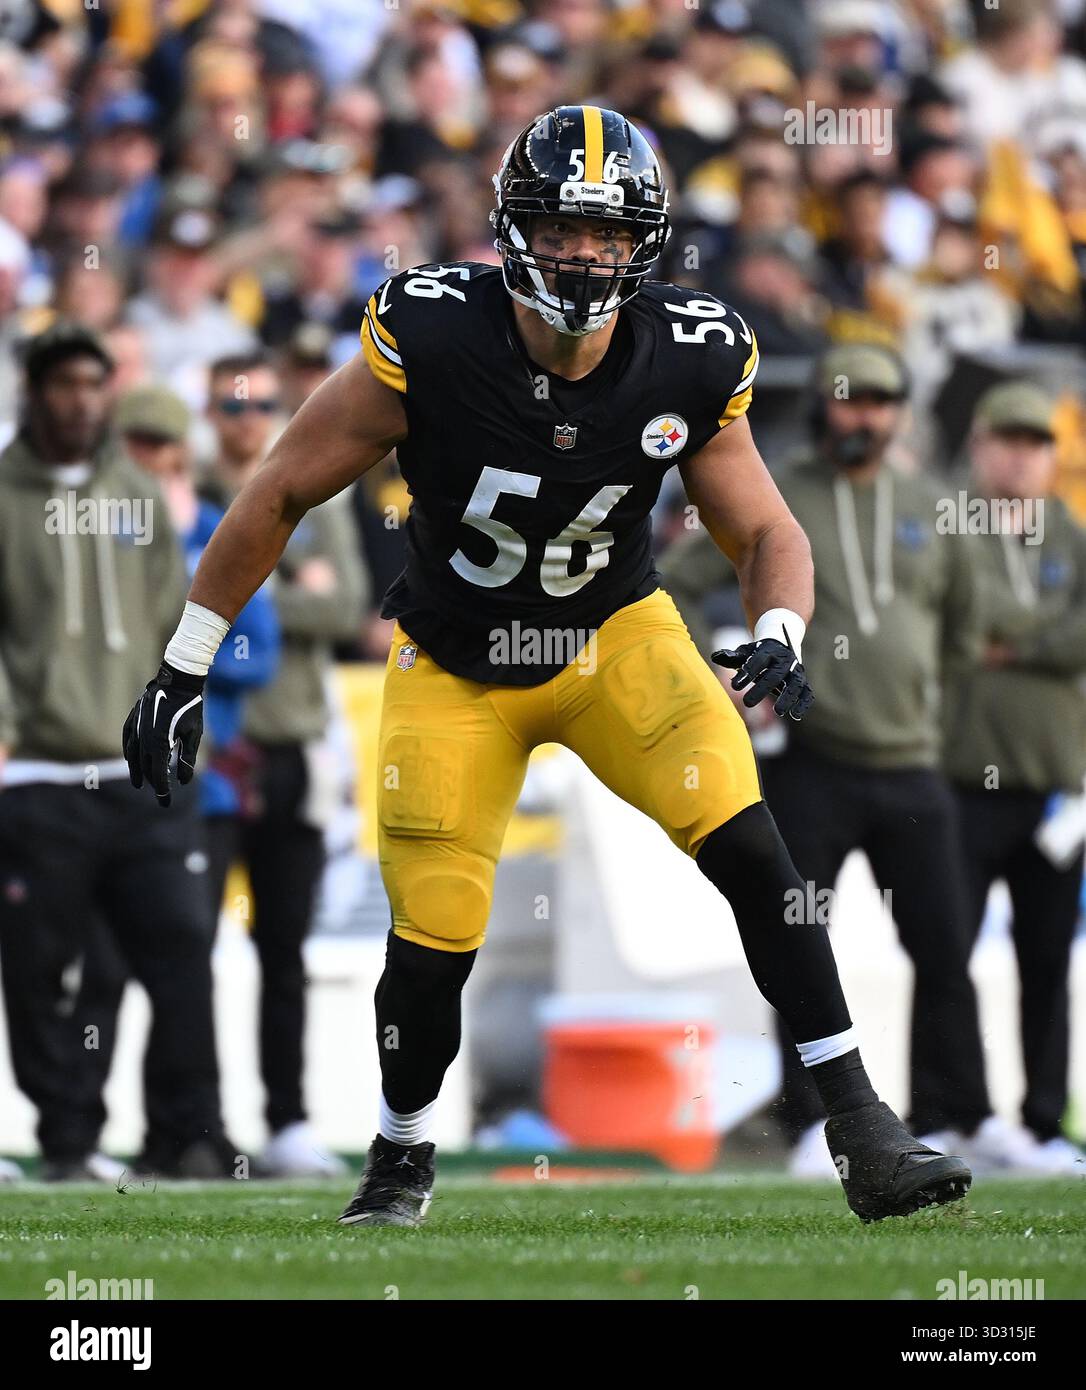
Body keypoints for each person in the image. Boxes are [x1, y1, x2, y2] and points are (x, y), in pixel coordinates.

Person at [124, 107, 971, 1225]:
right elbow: (279, 487)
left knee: (756, 848)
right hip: (457, 660)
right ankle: (401, 1154)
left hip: (616, 636)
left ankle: (862, 1127)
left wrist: (780, 633)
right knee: (433, 945)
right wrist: (185, 665)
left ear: (646, 244)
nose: (585, 253)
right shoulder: (430, 333)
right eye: (563, 228)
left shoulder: (693, 352)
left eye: (609, 233)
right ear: (514, 227)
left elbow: (769, 530)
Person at [661, 343, 1053, 1177]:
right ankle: (815, 1124)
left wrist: (921, 708)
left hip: (914, 763)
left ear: (900, 412)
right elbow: (665, 586)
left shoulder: (930, 501)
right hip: (811, 760)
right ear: (823, 405)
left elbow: (956, 634)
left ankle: (959, 1116)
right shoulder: (778, 494)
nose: (863, 414)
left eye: (881, 400)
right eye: (849, 398)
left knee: (947, 949)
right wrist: (712, 679)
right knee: (798, 939)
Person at [0, 322, 236, 1179]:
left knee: (180, 959)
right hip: (37, 775)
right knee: (38, 973)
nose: (81, 401)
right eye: (64, 385)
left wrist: (179, 744)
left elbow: (178, 627)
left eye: (94, 385)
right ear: (32, 391)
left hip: (141, 780)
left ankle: (191, 1135)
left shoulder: (138, 493)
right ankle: (66, 1139)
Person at [196, 352, 367, 1177]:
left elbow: (345, 605)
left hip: (292, 744)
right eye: (233, 406)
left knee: (284, 948)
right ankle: (196, 1119)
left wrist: (234, 590)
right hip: (208, 749)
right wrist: (283, 579)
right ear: (210, 413)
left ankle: (287, 1118)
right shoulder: (185, 488)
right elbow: (167, 597)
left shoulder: (314, 480)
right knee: (183, 942)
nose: (249, 418)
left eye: (263, 402)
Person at [942, 381, 1086, 1174]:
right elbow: (953, 630)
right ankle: (945, 1114)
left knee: (1047, 966)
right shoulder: (949, 529)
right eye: (1012, 440)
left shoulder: (1072, 533)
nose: (1024, 457)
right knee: (944, 957)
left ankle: (1040, 1123)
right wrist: (1036, 636)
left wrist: (1012, 643)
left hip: (1051, 787)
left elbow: (1077, 637)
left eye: (1039, 443)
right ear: (982, 444)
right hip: (957, 778)